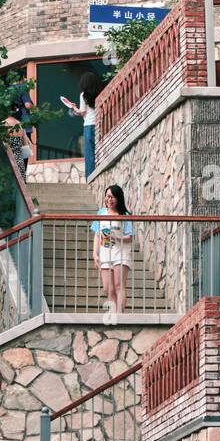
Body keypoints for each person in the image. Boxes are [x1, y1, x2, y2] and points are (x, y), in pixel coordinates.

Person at [91, 183, 134, 315]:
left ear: (118, 199)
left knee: (118, 285)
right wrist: (95, 254)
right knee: (107, 288)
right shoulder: (101, 213)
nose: (110, 199)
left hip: (121, 253)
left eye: (113, 197)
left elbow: (130, 237)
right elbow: (97, 234)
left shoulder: (125, 214)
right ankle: (113, 313)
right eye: (108, 196)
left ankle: (119, 315)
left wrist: (117, 236)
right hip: (105, 254)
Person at [67, 71, 104, 180]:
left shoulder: (83, 95)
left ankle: (90, 177)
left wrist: (74, 108)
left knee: (89, 153)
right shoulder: (100, 93)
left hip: (88, 125)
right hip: (99, 124)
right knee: (99, 150)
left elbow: (82, 112)